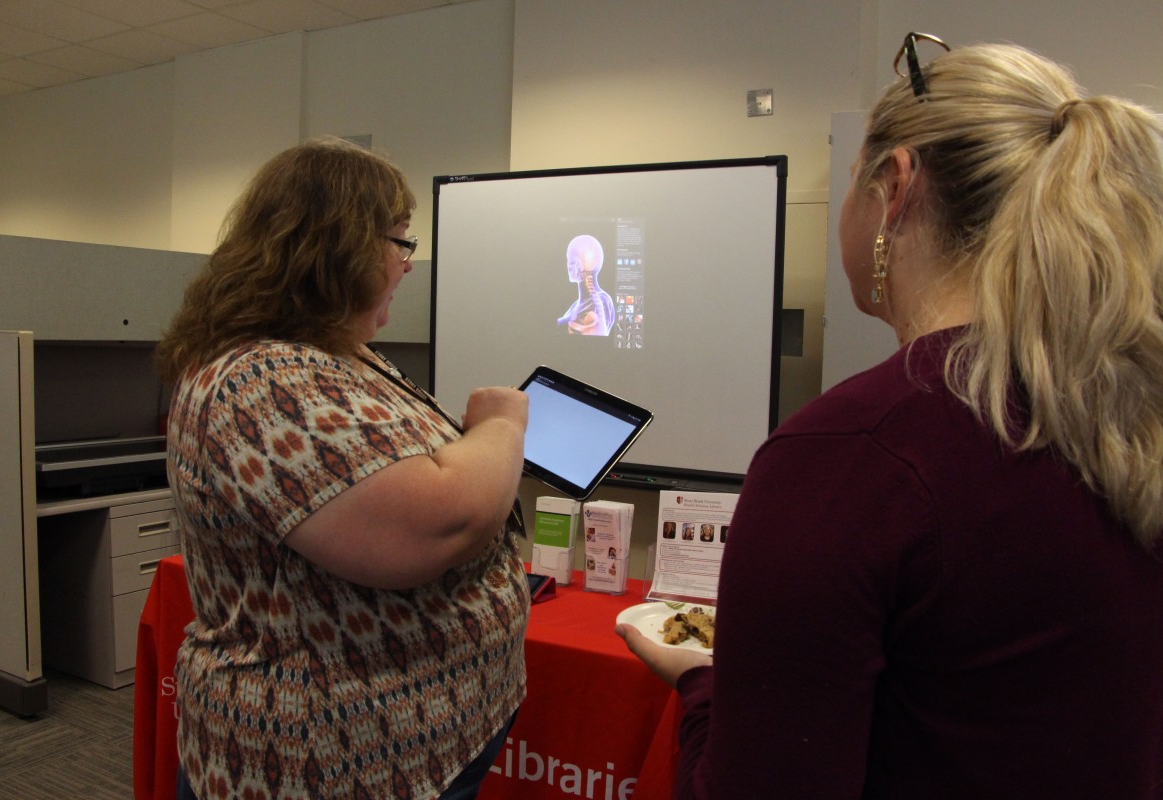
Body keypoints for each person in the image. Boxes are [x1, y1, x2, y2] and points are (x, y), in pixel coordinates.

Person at [618, 36, 1163, 799]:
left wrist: (707, 687)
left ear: (894, 186)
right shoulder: (1128, 411)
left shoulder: (853, 453)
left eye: (850, 181)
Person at [155, 136, 530, 800]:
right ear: (340, 247)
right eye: (400, 242)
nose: (408, 265)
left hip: (415, 745)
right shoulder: (265, 378)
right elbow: (438, 523)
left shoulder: (335, 354)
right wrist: (500, 422)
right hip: (327, 762)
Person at [557, 233, 614, 335]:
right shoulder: (577, 304)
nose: (567, 266)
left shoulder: (599, 303)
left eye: (569, 261)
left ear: (578, 266)